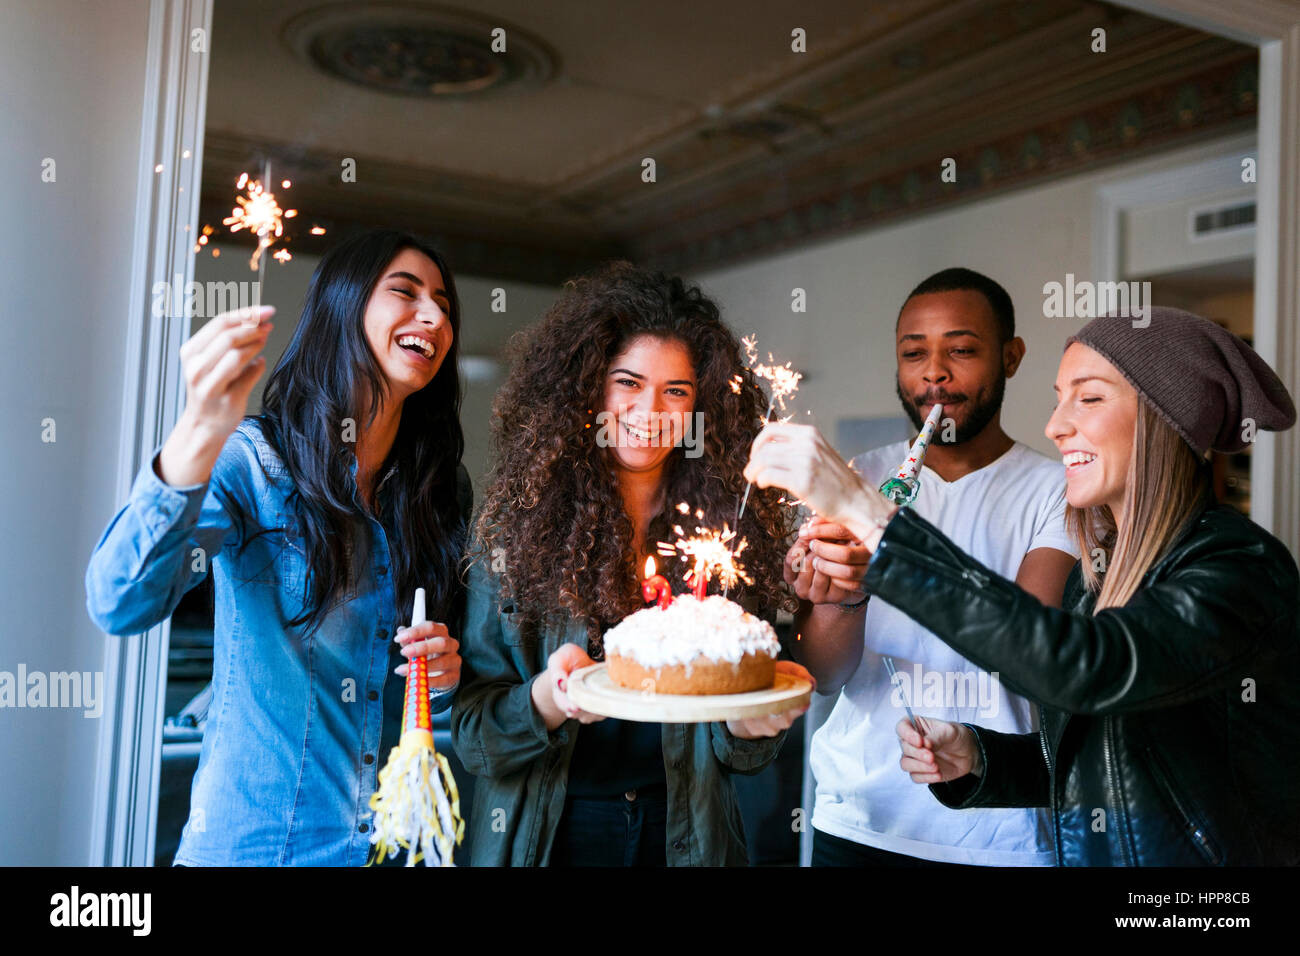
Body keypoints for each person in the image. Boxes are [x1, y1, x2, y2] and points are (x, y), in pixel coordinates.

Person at [746, 306, 1300, 865]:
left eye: (1088, 397)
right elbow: (1103, 760)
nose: (1056, 424)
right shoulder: (1102, 575)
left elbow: (1087, 669)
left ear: (1165, 418)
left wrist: (873, 517)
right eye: (1060, 398)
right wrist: (983, 758)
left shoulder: (1239, 567)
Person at [86, 230, 470, 865]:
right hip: (260, 851)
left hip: (388, 852)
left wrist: (442, 674)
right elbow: (120, 602)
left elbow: (401, 687)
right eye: (405, 293)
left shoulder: (435, 488)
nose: (433, 316)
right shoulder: (254, 463)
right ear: (344, 308)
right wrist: (199, 430)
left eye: (445, 306)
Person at [452, 262, 812, 866]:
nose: (652, 409)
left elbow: (738, 751)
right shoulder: (515, 533)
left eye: (676, 390)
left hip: (684, 836)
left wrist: (754, 729)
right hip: (552, 837)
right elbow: (473, 739)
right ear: (590, 389)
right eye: (628, 382)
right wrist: (547, 697)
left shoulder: (725, 536)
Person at [790, 268, 1077, 867]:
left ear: (1012, 356)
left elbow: (1028, 659)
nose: (934, 372)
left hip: (1000, 829)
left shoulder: (1059, 490)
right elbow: (823, 674)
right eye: (913, 353)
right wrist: (841, 598)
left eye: (962, 350)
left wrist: (893, 548)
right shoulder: (853, 480)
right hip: (859, 819)